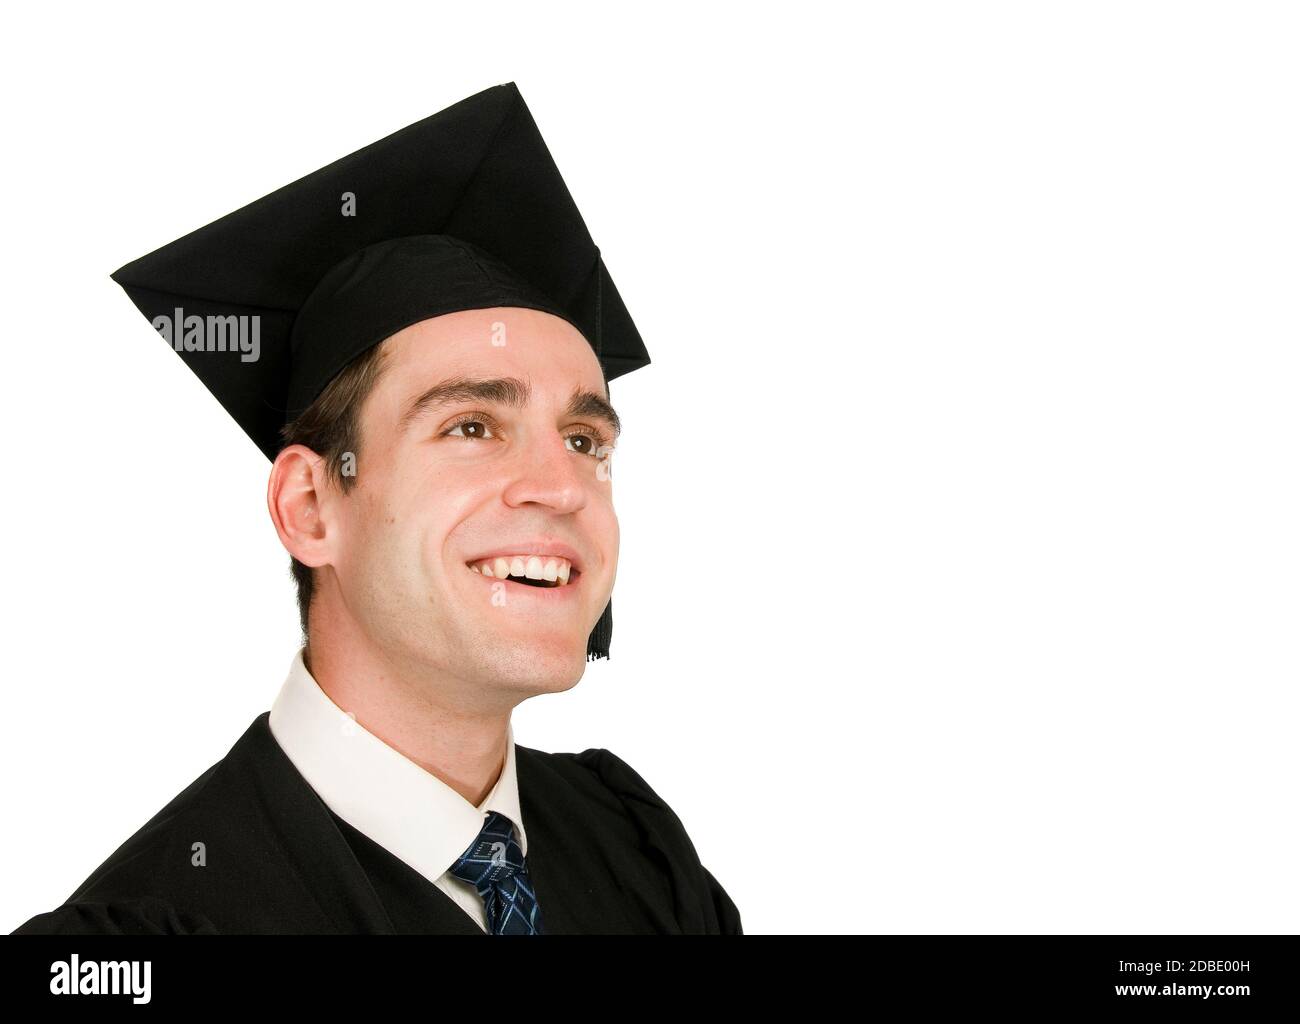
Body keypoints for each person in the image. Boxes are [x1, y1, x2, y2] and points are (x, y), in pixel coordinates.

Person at [12, 82, 742, 935]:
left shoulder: (634, 849)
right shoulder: (153, 932)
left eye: (584, 440)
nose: (562, 484)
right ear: (310, 507)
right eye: (474, 424)